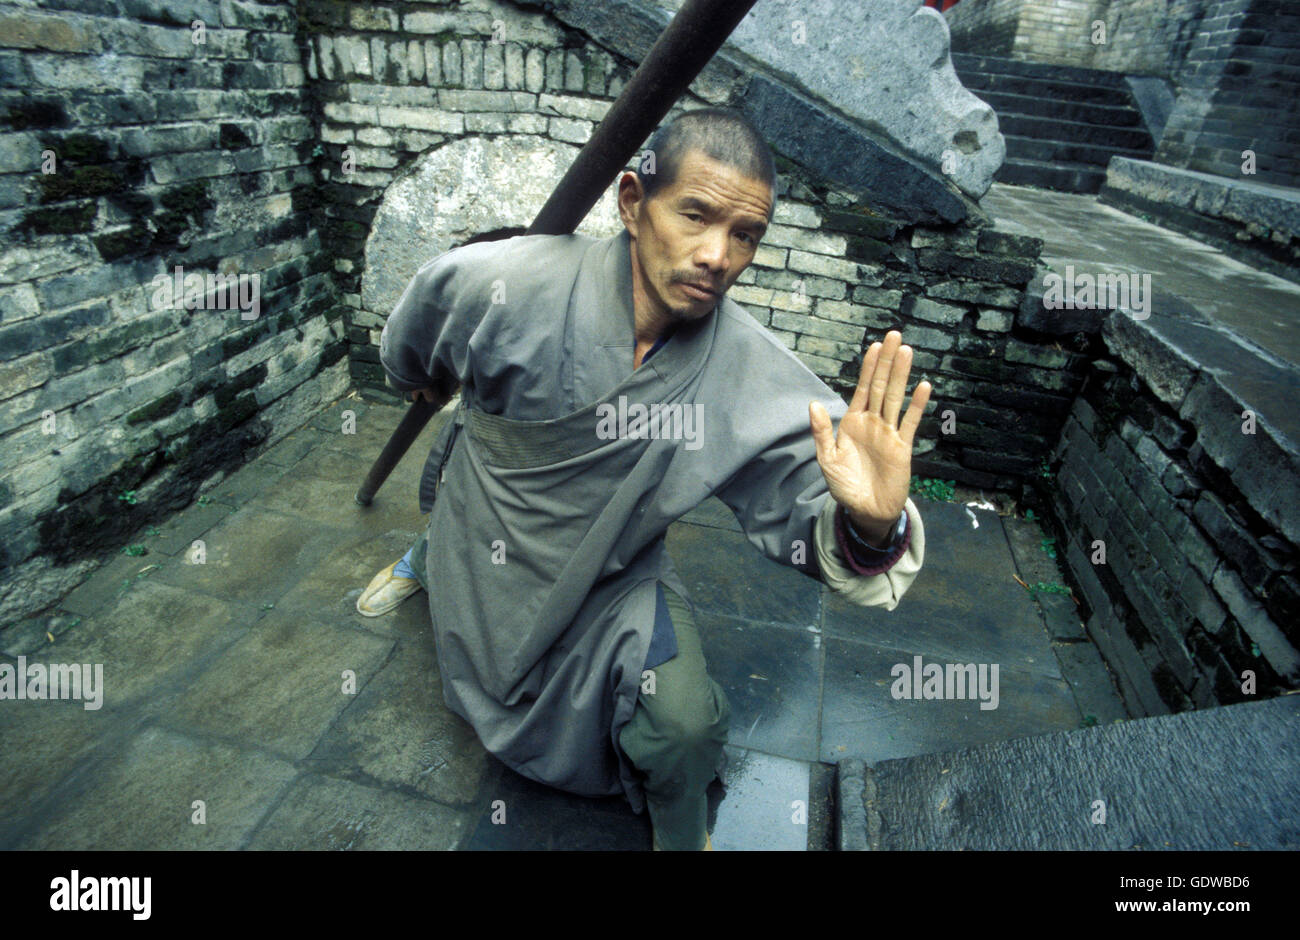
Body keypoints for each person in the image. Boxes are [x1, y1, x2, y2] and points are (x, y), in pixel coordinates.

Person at [360, 107, 930, 850]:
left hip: (612, 573)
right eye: (695, 215)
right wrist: (422, 379)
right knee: (466, 525)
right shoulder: (505, 281)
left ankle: (683, 836)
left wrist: (875, 521)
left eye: (745, 235)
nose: (717, 255)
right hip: (486, 525)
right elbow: (415, 341)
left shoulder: (746, 368)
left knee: (684, 728)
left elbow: (809, 504)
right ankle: (427, 557)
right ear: (634, 202)